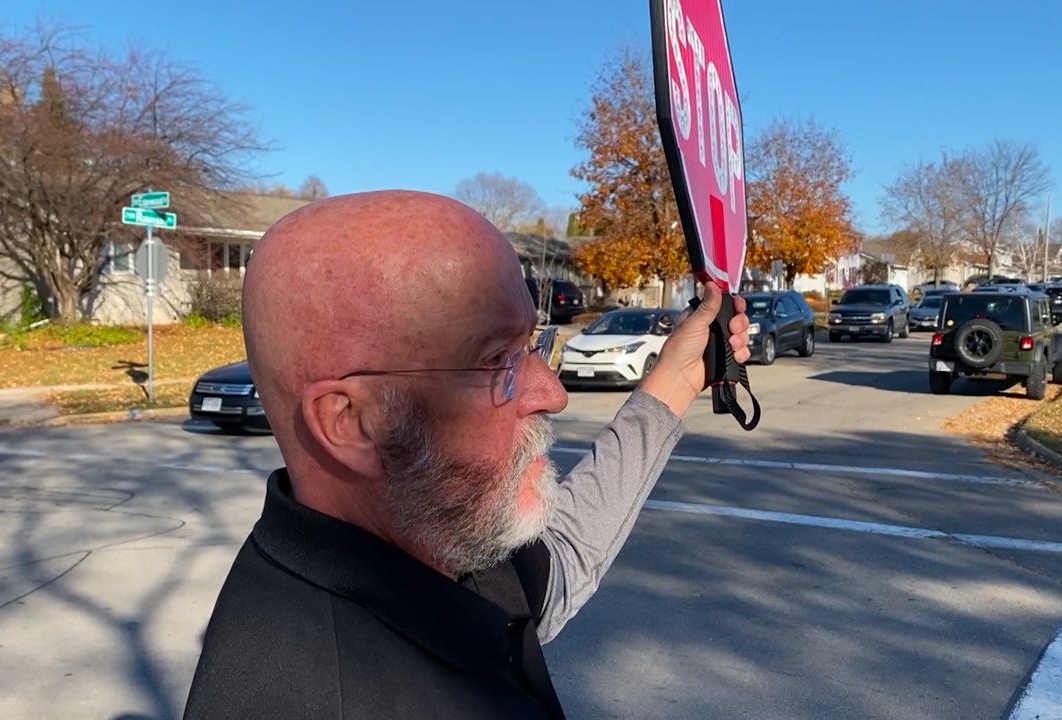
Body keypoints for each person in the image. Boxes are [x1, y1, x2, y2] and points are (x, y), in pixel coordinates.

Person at [182, 191, 751, 719]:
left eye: (532, 345)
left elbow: (557, 570)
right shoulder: (321, 693)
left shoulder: (432, 534)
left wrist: (675, 381)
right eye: (495, 360)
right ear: (351, 423)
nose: (552, 394)